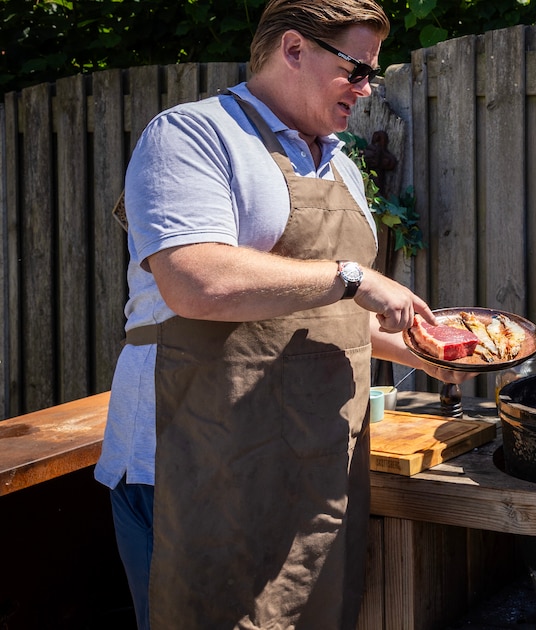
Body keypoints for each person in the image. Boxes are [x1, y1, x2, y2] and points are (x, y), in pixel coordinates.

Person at [93, 1, 468, 628]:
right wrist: (353, 277)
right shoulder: (193, 135)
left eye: (373, 73)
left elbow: (316, 315)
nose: (367, 88)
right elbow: (197, 282)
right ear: (293, 49)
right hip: (196, 463)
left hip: (313, 466)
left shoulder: (342, 165)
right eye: (356, 69)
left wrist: (426, 351)